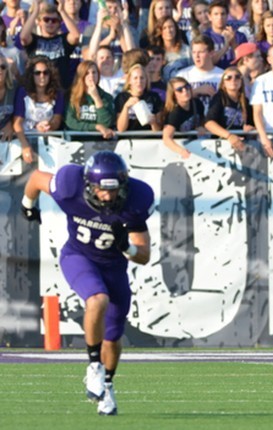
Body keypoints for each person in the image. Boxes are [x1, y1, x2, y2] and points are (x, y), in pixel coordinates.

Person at [21, 150, 154, 416]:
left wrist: (125, 245)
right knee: (97, 298)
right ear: (89, 186)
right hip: (78, 256)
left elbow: (144, 255)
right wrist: (28, 205)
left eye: (114, 190)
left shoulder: (136, 200)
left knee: (114, 337)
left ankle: (107, 386)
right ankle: (93, 366)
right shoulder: (70, 186)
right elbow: (36, 178)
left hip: (114, 267)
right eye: (102, 190)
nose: (108, 196)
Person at [19, 0, 82, 90]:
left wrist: (62, 11)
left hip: (60, 90)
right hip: (36, 90)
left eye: (54, 20)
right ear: (40, 22)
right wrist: (36, 11)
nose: (50, 23)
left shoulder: (63, 39)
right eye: (46, 20)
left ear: (59, 24)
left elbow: (76, 36)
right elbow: (23, 37)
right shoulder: (34, 40)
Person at [13, 57, 64, 164]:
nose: (42, 76)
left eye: (46, 73)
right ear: (32, 75)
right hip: (25, 139)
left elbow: (57, 120)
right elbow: (17, 123)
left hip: (48, 143)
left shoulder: (58, 94)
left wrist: (48, 125)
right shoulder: (23, 92)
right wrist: (25, 146)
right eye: (37, 73)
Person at [204, 67, 253, 152]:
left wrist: (249, 129)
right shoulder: (219, 98)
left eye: (237, 77)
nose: (233, 80)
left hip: (241, 144)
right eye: (228, 78)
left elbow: (252, 125)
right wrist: (229, 136)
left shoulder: (245, 101)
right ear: (223, 83)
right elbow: (209, 123)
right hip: (221, 144)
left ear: (241, 81)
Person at [176, 36, 225, 111]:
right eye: (194, 52)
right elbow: (173, 100)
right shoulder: (183, 75)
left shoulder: (223, 76)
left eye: (201, 52)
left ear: (211, 53)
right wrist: (196, 91)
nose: (197, 56)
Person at [162, 76, 206, 158]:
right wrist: (181, 151)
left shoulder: (197, 103)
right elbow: (166, 138)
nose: (185, 91)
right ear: (173, 94)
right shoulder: (174, 113)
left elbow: (203, 119)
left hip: (195, 144)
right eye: (180, 90)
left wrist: (201, 126)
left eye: (187, 87)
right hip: (178, 149)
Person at [115, 64, 164, 132]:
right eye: (135, 78)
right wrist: (126, 107)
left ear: (146, 80)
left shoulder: (154, 97)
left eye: (142, 78)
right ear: (129, 81)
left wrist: (153, 123)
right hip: (128, 138)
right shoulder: (121, 97)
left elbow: (158, 129)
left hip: (149, 139)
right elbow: (121, 129)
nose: (139, 81)